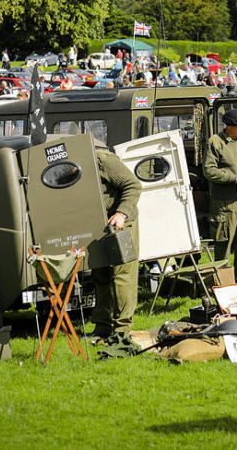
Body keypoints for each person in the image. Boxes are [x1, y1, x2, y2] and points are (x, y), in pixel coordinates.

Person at [90, 142, 142, 343]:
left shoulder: (103, 160)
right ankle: (102, 327)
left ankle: (122, 329)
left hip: (121, 224)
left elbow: (133, 185)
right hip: (99, 225)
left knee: (122, 277)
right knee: (100, 274)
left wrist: (122, 213)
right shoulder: (79, 162)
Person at [203, 109, 237, 283]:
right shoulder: (215, 142)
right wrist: (235, 179)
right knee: (224, 240)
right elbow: (209, 170)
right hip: (224, 201)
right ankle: (223, 281)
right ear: (228, 126)